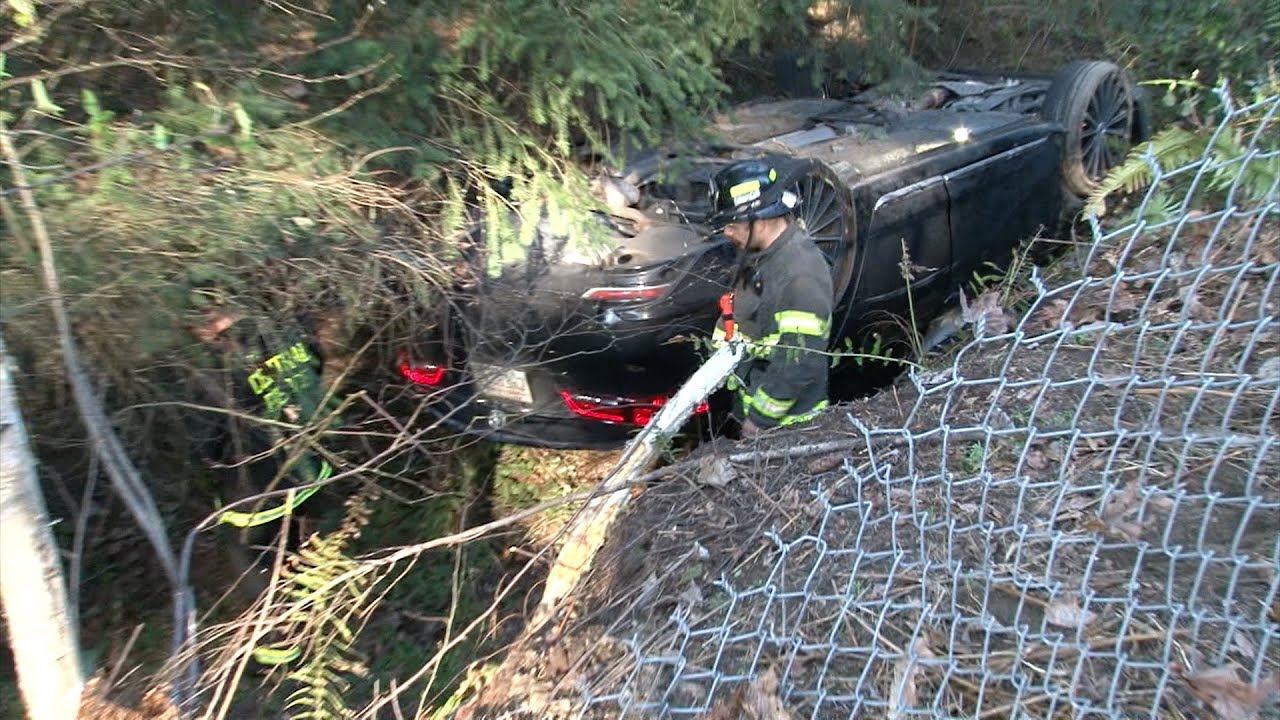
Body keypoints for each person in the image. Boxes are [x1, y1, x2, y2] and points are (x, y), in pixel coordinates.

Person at [707, 159, 833, 437]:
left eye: (732, 224)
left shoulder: (801, 275)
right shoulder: (762, 259)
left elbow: (799, 362)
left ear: (760, 221)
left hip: (791, 430)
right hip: (755, 412)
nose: (727, 233)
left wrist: (759, 420)